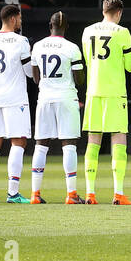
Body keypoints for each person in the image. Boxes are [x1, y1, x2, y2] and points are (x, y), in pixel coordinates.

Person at [81, 0, 131, 204]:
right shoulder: (123, 33)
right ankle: (118, 193)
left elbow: (88, 60)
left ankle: (90, 193)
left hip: (93, 91)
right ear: (119, 13)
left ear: (103, 11)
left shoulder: (87, 31)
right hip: (115, 92)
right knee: (119, 139)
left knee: (93, 141)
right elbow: (130, 66)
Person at [28, 11, 86, 204]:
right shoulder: (72, 48)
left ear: (49, 25)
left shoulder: (37, 46)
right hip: (66, 98)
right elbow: (79, 79)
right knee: (69, 145)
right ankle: (71, 194)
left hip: (45, 98)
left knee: (41, 145)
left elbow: (36, 78)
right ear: (66, 27)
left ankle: (35, 194)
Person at [0, 4, 33, 203]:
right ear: (13, 18)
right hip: (16, 98)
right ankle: (13, 192)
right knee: (19, 141)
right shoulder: (21, 41)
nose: (20, 22)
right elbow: (29, 72)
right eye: (19, 18)